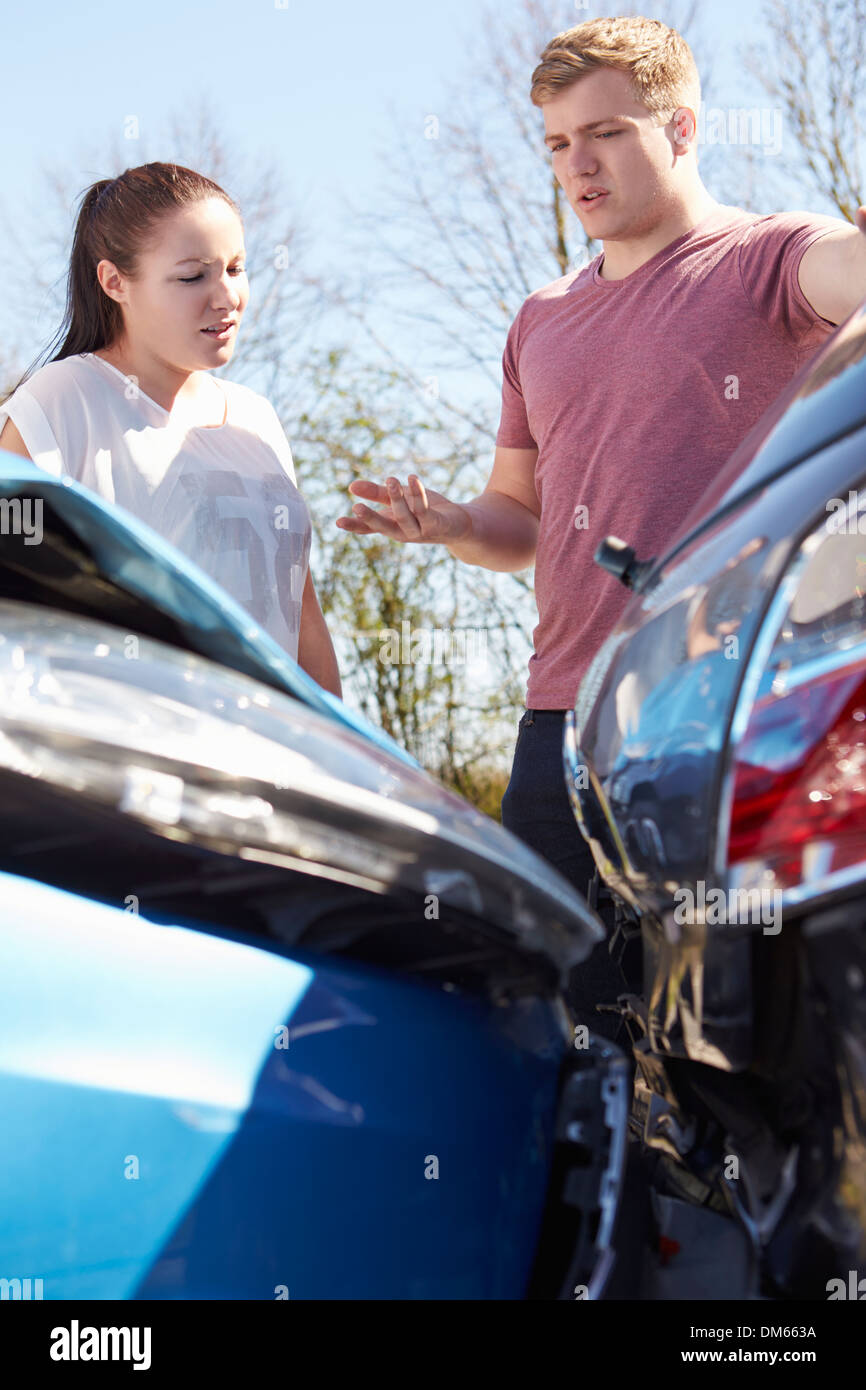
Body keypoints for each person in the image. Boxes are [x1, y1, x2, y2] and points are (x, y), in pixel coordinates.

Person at [335, 16, 866, 1036]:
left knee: (728, 1046)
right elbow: (517, 522)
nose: (577, 167)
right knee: (549, 1034)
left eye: (606, 134)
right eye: (555, 144)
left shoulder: (769, 259)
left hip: (722, 718)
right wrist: (448, 521)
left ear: (680, 126)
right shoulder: (539, 318)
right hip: (558, 726)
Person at [0, 161, 340, 696]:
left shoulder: (257, 420)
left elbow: (301, 613)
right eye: (192, 275)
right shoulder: (60, 402)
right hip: (132, 764)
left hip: (270, 760)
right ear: (115, 282)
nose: (226, 297)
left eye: (236, 267)